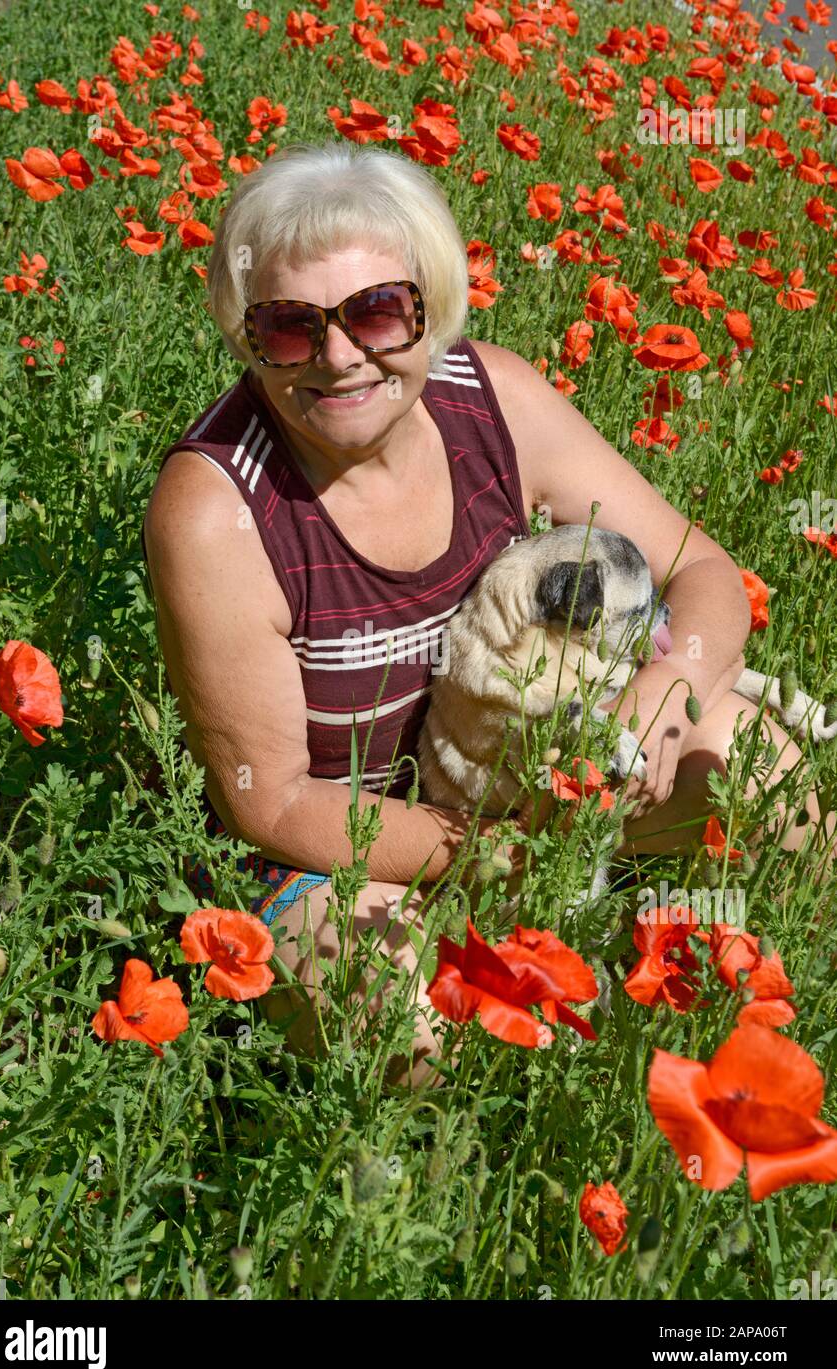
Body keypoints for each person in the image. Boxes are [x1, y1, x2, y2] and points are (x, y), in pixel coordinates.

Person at [141, 140, 825, 1083]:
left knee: (773, 784)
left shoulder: (490, 400)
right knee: (406, 1025)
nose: (341, 358)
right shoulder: (217, 508)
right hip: (352, 847)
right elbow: (271, 800)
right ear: (244, 334)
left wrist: (673, 681)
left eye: (379, 311)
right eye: (292, 328)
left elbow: (701, 567)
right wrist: (504, 848)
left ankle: (752, 1016)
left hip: (525, 778)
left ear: (433, 308)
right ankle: (412, 1190)